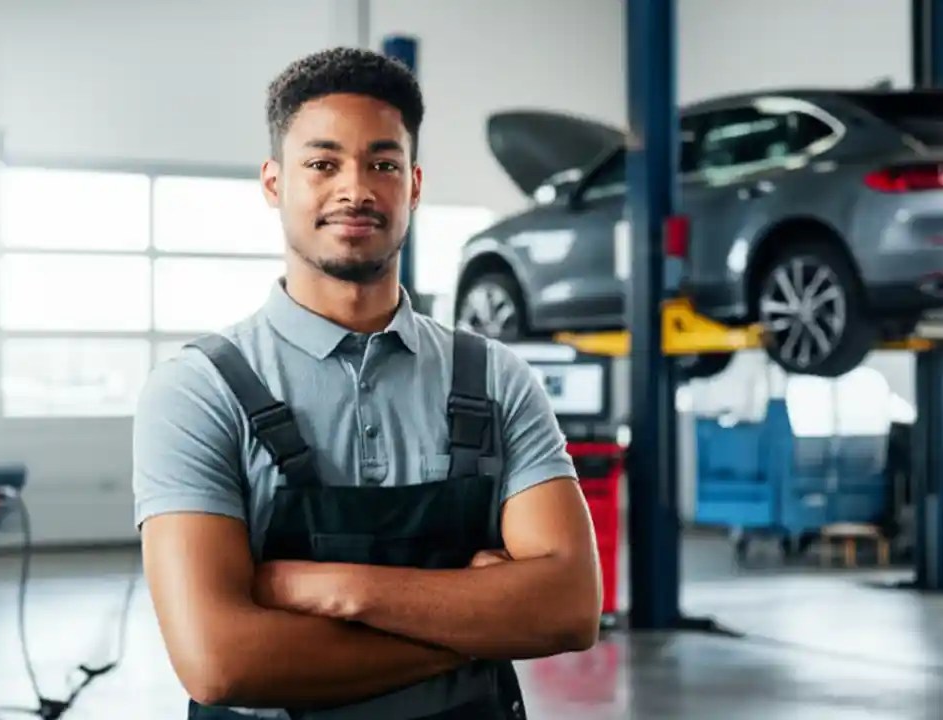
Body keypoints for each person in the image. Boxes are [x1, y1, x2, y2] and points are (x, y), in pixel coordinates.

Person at [133, 46, 602, 720]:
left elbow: (569, 608)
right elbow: (219, 662)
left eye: (381, 164)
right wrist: (474, 632)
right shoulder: (197, 394)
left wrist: (343, 589)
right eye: (322, 164)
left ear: (412, 185)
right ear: (274, 183)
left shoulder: (497, 380)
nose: (354, 189)